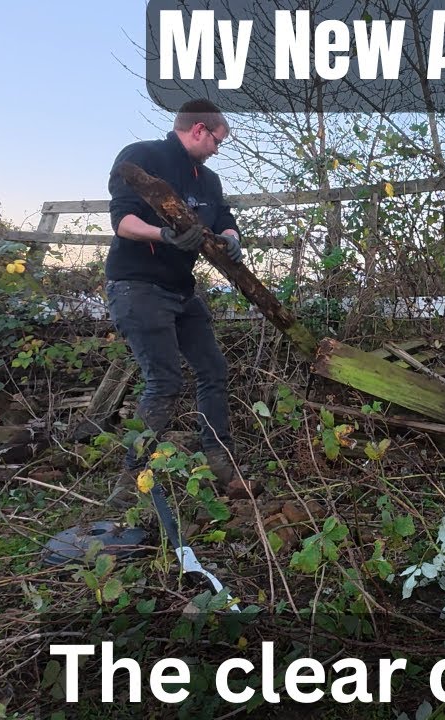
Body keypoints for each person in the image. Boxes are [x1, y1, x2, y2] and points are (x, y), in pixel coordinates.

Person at [103, 99, 259, 502]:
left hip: (181, 289)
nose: (217, 150)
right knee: (164, 380)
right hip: (136, 286)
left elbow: (223, 218)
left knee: (213, 369)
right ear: (198, 130)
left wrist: (232, 239)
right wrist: (165, 235)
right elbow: (122, 222)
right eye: (217, 141)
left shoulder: (207, 181)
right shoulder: (142, 158)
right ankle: (129, 483)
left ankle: (220, 460)